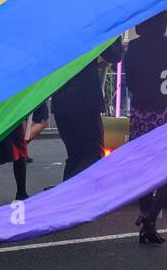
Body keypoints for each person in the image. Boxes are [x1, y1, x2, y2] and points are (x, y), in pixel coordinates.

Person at [123, 10, 167, 245]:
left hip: (141, 112)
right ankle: (151, 218)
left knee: (143, 168)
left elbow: (130, 82)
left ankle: (145, 216)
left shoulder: (134, 47)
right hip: (166, 112)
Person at [51, 37, 123, 180]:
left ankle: (66, 194)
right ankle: (80, 195)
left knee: (75, 155)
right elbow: (114, 55)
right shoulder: (92, 26)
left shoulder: (59, 30)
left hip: (61, 99)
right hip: (85, 99)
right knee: (92, 154)